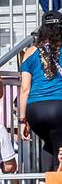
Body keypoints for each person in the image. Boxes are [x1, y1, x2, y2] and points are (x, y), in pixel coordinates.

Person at [20, 13, 62, 169]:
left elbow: (25, 89)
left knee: (50, 145)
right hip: (59, 107)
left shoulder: (30, 52)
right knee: (59, 148)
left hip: (35, 110)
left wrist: (22, 120)